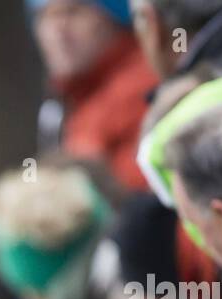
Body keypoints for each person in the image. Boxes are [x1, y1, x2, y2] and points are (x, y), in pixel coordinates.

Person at [30, 0, 159, 190]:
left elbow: (146, 195)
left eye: (72, 12)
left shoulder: (143, 84)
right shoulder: (72, 97)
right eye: (45, 16)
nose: (58, 29)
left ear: (112, 18)